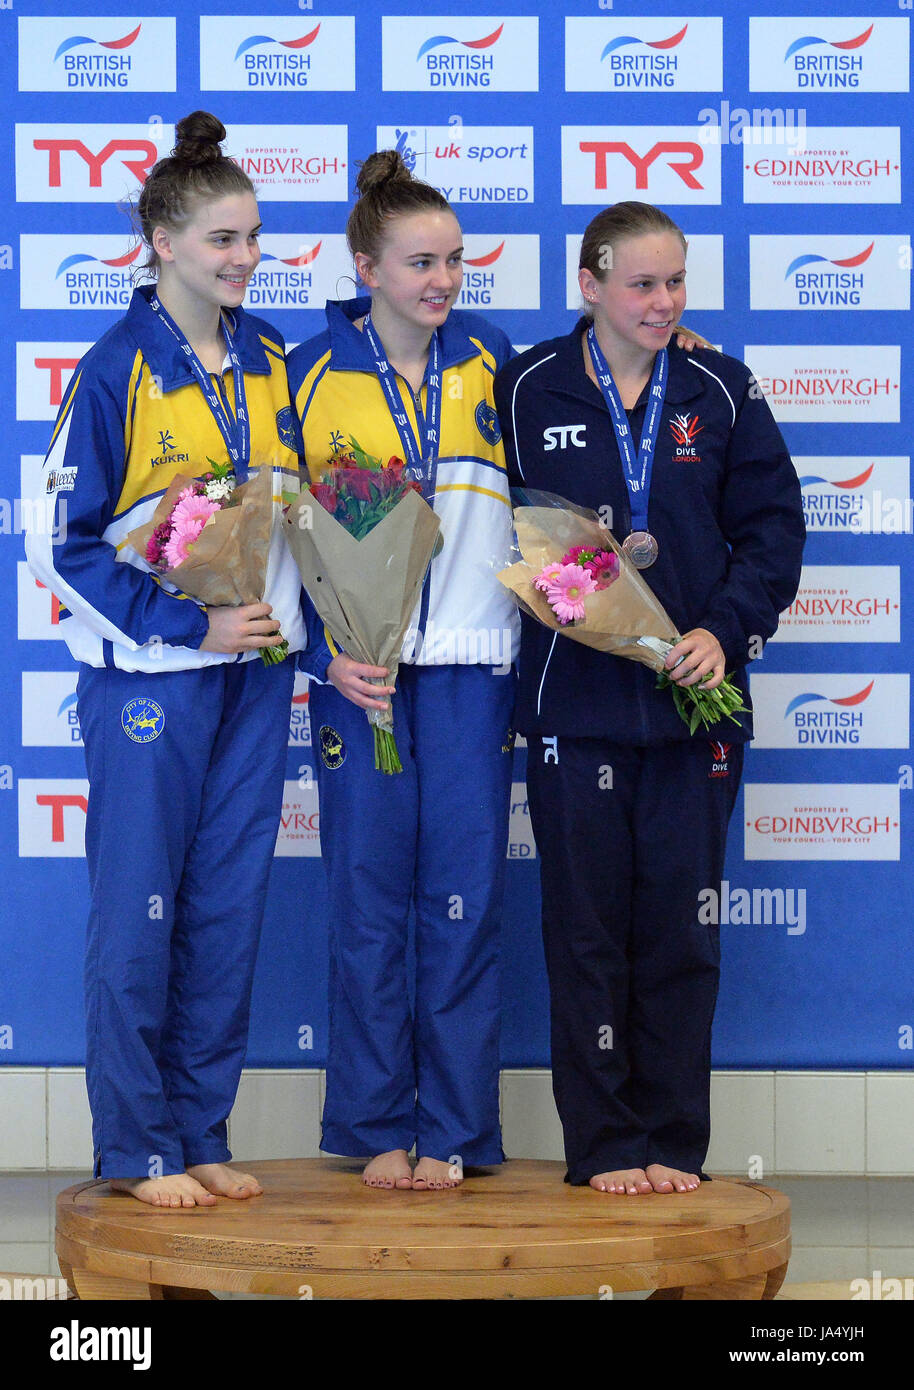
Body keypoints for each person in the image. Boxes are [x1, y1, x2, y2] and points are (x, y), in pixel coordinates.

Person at [25, 111, 312, 1208]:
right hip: (153, 682)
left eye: (252, 237)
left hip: (256, 678)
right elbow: (60, 543)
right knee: (140, 912)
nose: (243, 258)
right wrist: (188, 625)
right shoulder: (113, 369)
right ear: (161, 240)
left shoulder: (274, 354)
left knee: (225, 910)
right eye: (221, 239)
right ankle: (134, 1146)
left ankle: (198, 1128)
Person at [493, 201, 805, 1196]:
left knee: (679, 931)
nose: (661, 302)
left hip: (691, 712)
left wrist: (723, 628)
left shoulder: (719, 386)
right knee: (583, 935)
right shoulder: (520, 386)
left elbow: (772, 530)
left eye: (674, 283)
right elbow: (486, 528)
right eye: (640, 283)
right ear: (588, 285)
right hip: (569, 705)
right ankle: (603, 1146)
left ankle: (672, 1140)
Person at [286, 151, 520, 1190]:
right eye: (419, 261)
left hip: (471, 667)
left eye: (455, 261)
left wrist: (672, 343)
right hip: (361, 675)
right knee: (370, 901)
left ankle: (458, 1127)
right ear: (365, 265)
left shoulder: (493, 360)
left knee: (462, 900)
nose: (441, 280)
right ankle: (377, 1123)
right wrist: (322, 653)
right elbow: (273, 540)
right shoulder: (304, 371)